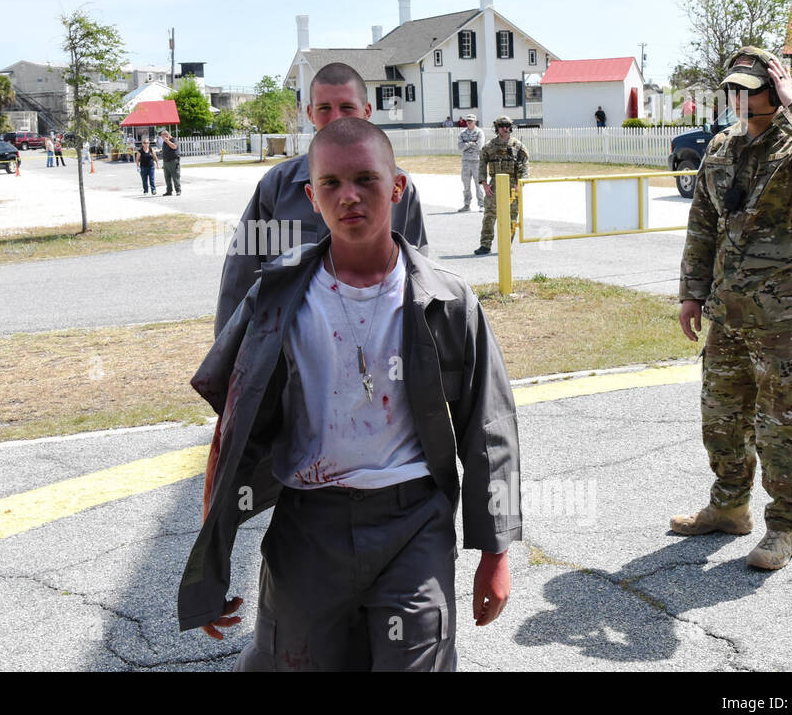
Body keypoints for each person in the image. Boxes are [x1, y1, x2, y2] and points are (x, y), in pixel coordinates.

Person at [178, 118, 521, 671]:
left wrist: (495, 550)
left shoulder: (448, 301)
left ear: (398, 187)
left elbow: (490, 427)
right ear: (311, 197)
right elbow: (233, 427)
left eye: (366, 179)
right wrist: (211, 559)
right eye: (332, 184)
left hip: (414, 522)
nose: (350, 196)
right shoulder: (275, 297)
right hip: (307, 526)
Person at [672, 47, 792, 570]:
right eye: (736, 89)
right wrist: (691, 292)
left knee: (783, 425)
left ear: (775, 90)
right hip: (728, 315)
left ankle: (785, 529)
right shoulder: (722, 147)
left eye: (753, 88)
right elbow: (703, 224)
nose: (741, 99)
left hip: (788, 320)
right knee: (722, 418)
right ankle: (729, 508)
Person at [212, 62, 429, 336]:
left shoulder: (399, 188)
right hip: (292, 347)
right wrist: (228, 358)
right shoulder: (277, 186)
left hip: (380, 338)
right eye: (324, 108)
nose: (336, 118)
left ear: (367, 112)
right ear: (310, 114)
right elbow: (239, 278)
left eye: (347, 107)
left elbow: (418, 274)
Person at [474, 116, 529, 255]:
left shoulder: (518, 146)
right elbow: (482, 164)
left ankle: (506, 244)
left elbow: (525, 164)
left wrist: (519, 183)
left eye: (507, 125)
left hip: (512, 185)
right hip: (495, 184)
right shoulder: (489, 146)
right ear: (497, 128)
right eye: (502, 125)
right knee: (490, 214)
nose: (505, 128)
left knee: (511, 215)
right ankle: (485, 245)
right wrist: (484, 183)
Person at [456, 112, 484, 212]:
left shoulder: (479, 132)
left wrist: (466, 145)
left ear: (475, 121)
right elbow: (460, 147)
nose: (469, 122)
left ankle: (482, 205)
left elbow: (479, 146)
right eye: (468, 121)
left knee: (479, 184)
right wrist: (471, 143)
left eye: (471, 121)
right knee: (466, 185)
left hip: (476, 161)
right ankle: (466, 205)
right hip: (466, 162)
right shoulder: (462, 133)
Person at [159, 128, 182, 196]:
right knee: (167, 177)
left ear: (167, 135)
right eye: (162, 137)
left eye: (163, 137)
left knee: (175, 176)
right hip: (166, 162)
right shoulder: (164, 142)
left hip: (173, 161)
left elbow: (174, 147)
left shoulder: (173, 140)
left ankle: (178, 190)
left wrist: (168, 141)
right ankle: (169, 191)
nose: (163, 138)